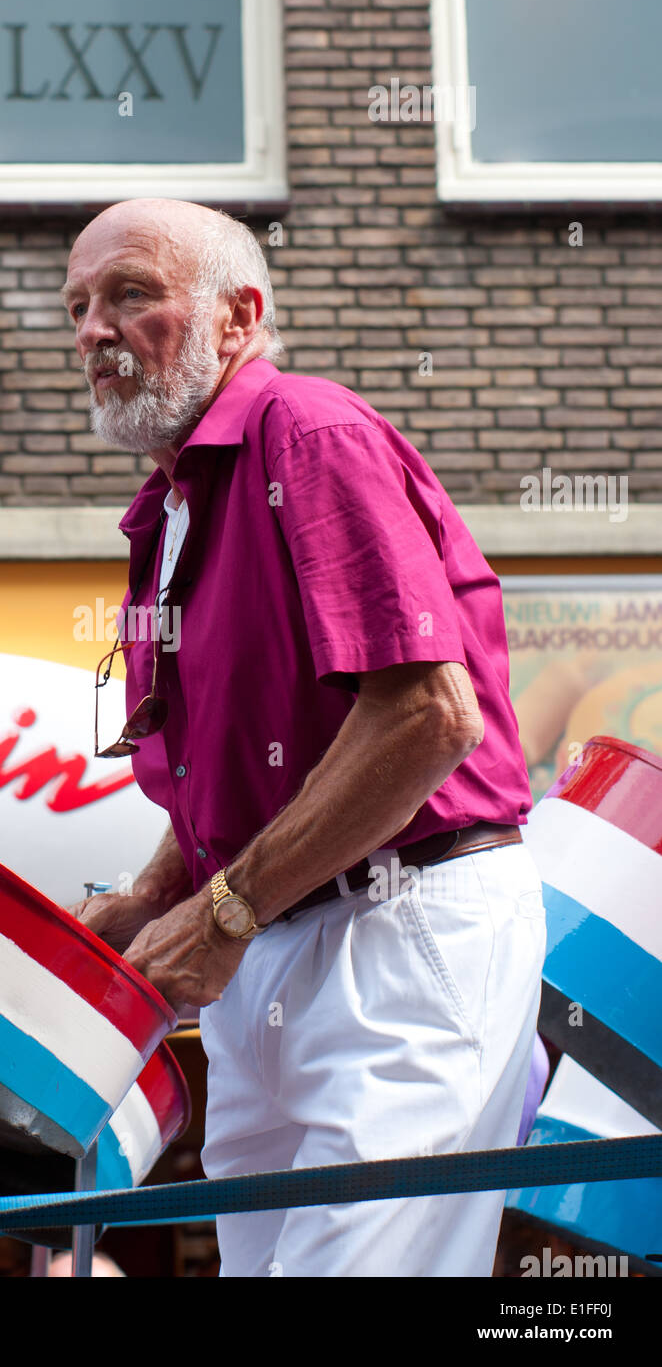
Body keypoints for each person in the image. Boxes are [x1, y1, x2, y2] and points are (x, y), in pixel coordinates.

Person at [61, 198, 546, 1278]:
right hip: (279, 939)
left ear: (239, 317)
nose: (93, 330)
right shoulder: (168, 506)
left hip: (395, 925)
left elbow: (428, 714)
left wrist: (224, 906)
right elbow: (239, 765)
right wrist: (157, 891)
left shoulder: (306, 430)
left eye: (131, 294)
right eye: (79, 307)